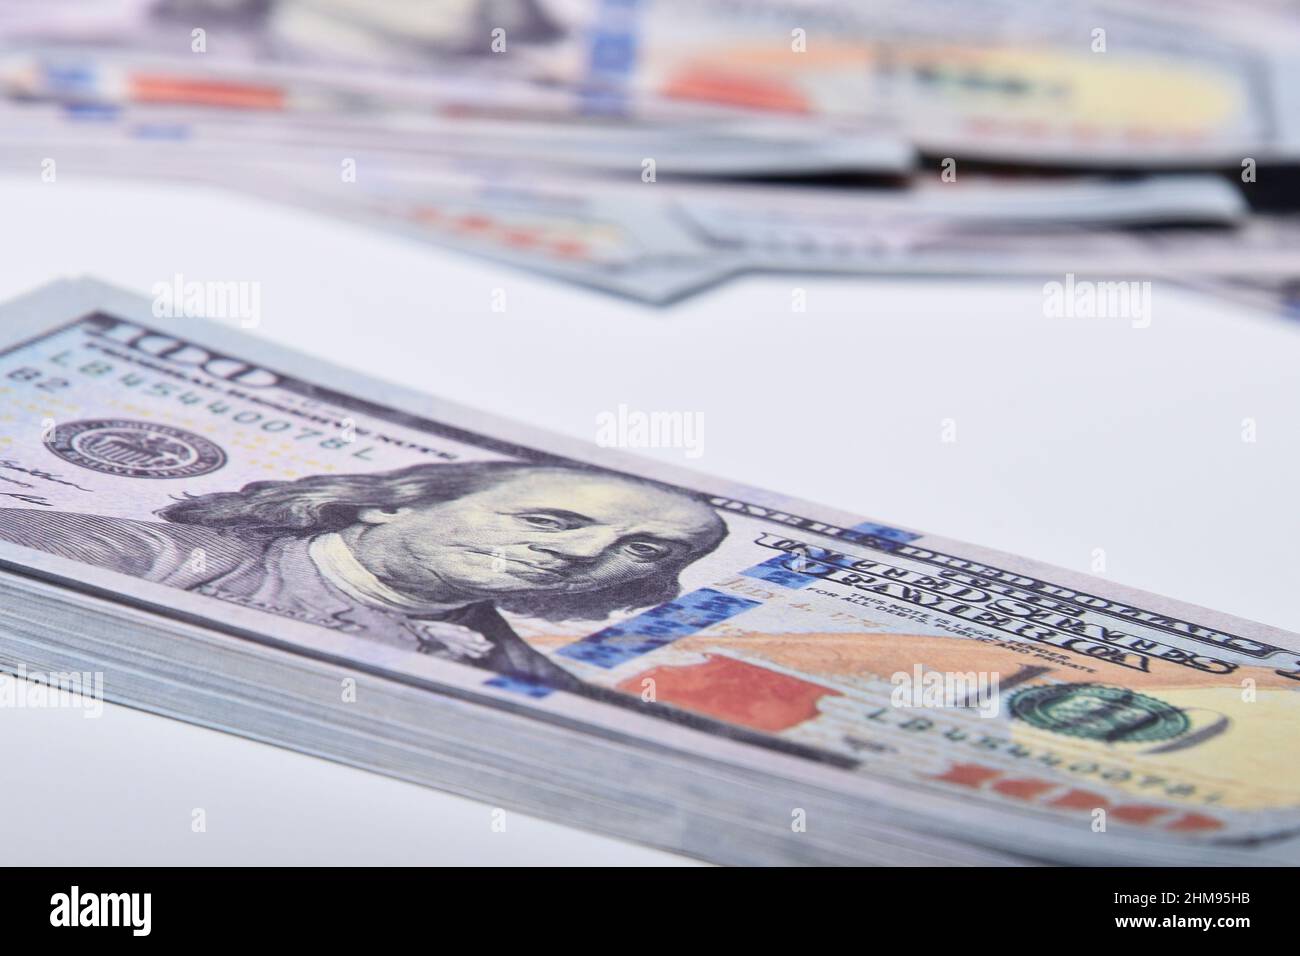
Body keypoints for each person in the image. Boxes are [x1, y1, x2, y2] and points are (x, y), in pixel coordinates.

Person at [0, 460, 727, 693]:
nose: (580, 556)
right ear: (388, 505)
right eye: (551, 522)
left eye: (644, 550)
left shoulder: (538, 681)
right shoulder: (125, 550)